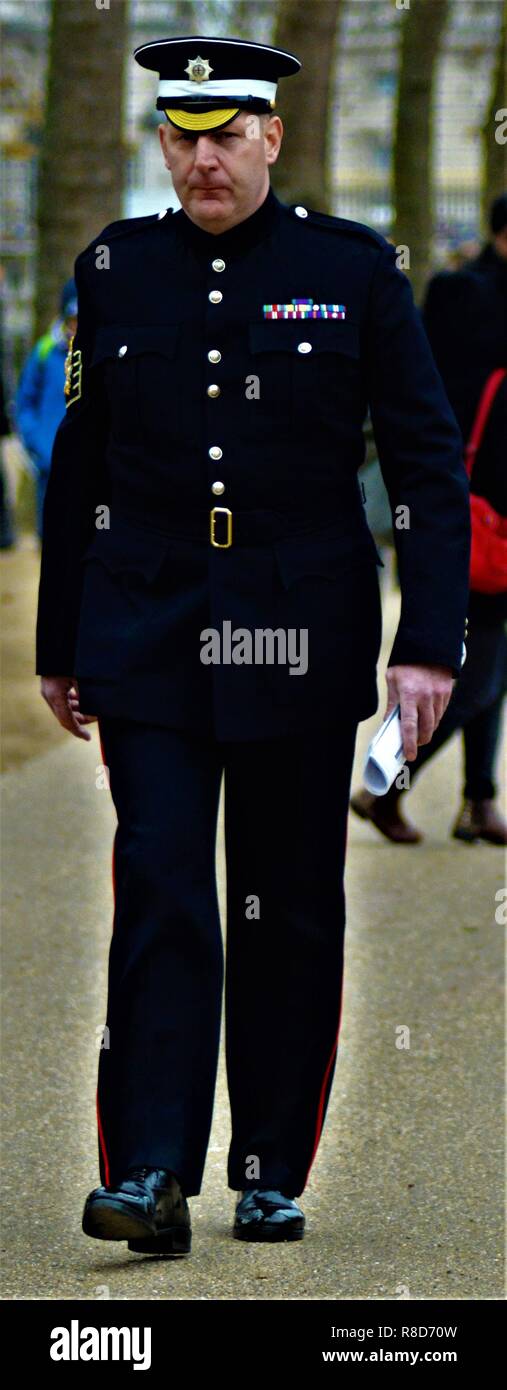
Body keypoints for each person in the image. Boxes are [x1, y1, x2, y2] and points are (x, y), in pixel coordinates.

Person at [35, 35, 470, 1254]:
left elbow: (429, 467)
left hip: (296, 625)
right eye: (182, 136)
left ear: (273, 137)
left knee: (284, 904)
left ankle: (270, 1165)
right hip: (153, 628)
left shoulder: (353, 271)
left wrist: (428, 643)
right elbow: (83, 464)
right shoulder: (117, 267)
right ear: (161, 142)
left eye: (227, 136)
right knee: (162, 886)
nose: (203, 158)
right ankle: (154, 1170)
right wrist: (58, 639)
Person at [351, 194, 507, 846]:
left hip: (493, 504)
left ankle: (476, 799)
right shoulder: (459, 292)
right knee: (475, 670)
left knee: (492, 664)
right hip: (465, 507)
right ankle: (384, 783)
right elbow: (429, 398)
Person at [15, 280, 77, 540]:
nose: (77, 326)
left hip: (88, 467)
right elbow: (25, 403)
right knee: (50, 542)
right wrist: (37, 444)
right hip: (50, 465)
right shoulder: (44, 352)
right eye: (73, 318)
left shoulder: (100, 350)